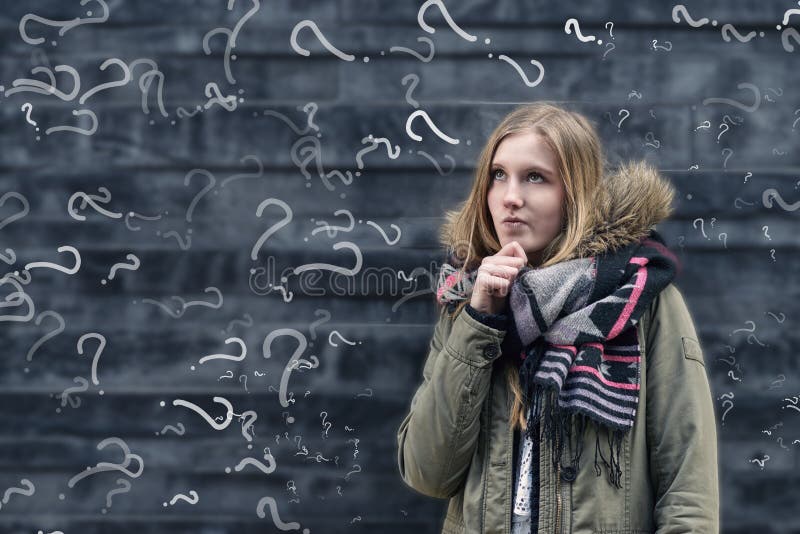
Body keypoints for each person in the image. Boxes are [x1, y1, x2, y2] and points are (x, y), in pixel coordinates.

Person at [396, 102, 719, 533]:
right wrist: (480, 320)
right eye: (498, 175)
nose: (511, 196)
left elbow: (687, 488)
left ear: (576, 192)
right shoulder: (467, 301)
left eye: (536, 177)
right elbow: (428, 473)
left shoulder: (641, 299)